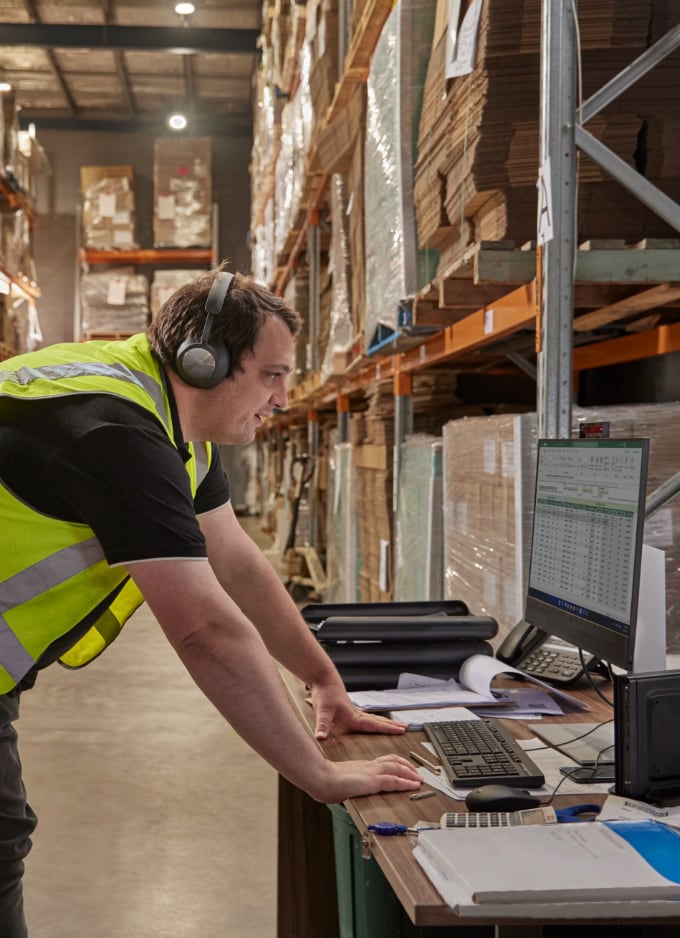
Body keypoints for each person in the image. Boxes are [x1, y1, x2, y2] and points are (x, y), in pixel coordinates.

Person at [0, 264, 422, 937]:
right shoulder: (116, 432)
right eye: (273, 374)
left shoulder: (175, 426)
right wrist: (317, 774)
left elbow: (237, 564)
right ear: (206, 362)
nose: (284, 397)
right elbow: (205, 630)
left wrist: (323, 680)